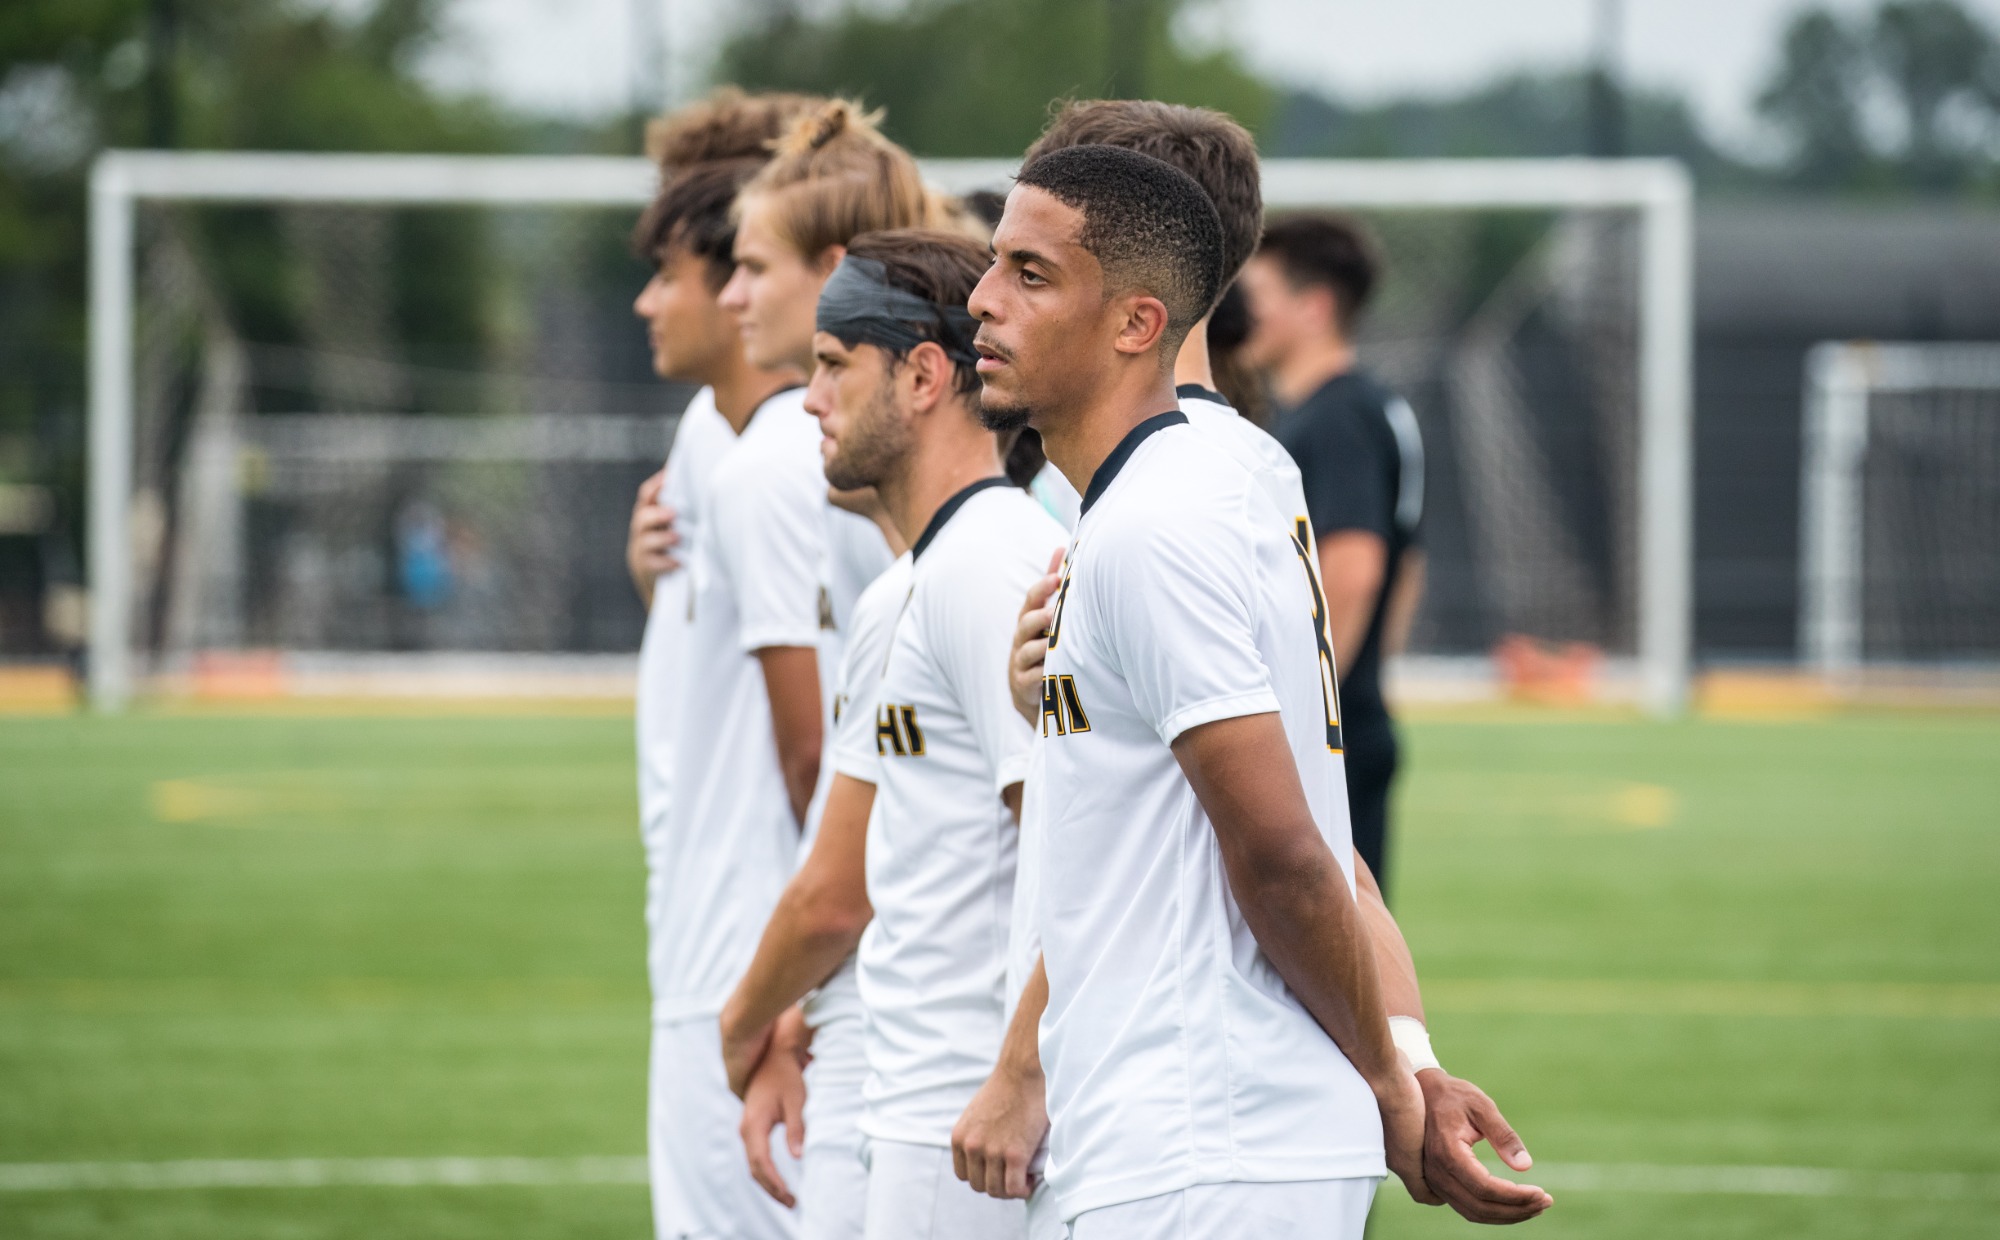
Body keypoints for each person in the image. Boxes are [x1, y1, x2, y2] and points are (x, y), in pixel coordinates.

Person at [955, 103, 1546, 1234]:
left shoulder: (1161, 521)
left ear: (1140, 318)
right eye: (993, 265)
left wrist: (1387, 1077)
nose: (981, 298)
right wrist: (1406, 1058)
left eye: (1028, 273)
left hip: (1202, 1136)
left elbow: (1284, 854)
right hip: (1184, 1133)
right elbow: (1308, 841)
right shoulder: (1200, 485)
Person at [712, 100, 943, 1240]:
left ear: (837, 269)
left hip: (877, 978)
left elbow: (822, 767)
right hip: (877, 960)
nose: (729, 296)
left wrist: (764, 1003)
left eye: (751, 265)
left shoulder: (781, 466)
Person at [814, 229, 1068, 1240]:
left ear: (922, 376)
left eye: (832, 365)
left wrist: (1017, 1073)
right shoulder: (937, 568)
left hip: (965, 1116)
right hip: (926, 1102)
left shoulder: (987, 564)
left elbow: (1079, 845)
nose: (808, 400)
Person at [626, 116, 824, 1240]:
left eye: (677, 271)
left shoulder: (786, 459)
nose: (649, 301)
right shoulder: (717, 435)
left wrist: (796, 965)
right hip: (714, 929)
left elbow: (813, 749)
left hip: (754, 947)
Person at [1241, 215, 1426, 894]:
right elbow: (1408, 568)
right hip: (1355, 717)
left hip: (1328, 737)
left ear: (1314, 308)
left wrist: (1304, 721)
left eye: (1255, 294)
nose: (1239, 312)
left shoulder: (1336, 418)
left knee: (1332, 943)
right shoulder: (1368, 405)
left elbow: (1355, 570)